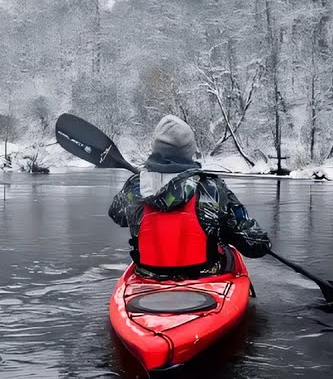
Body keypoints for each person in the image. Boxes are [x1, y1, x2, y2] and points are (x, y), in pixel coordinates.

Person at [108, 114, 272, 279]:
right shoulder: (212, 187)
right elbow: (254, 245)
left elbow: (117, 215)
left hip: (149, 274)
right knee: (228, 251)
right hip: (202, 275)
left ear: (156, 148)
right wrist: (233, 233)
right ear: (189, 150)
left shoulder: (135, 186)